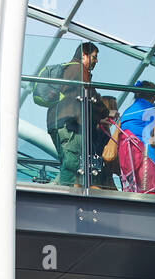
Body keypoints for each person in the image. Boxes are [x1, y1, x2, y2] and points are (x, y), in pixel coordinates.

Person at [49, 42, 110, 189]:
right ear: (84, 55)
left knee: (68, 162)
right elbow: (90, 94)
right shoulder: (79, 70)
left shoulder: (66, 69)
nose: (96, 61)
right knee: (71, 164)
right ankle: (62, 195)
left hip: (56, 123)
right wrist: (105, 112)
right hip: (71, 125)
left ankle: (54, 187)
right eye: (94, 57)